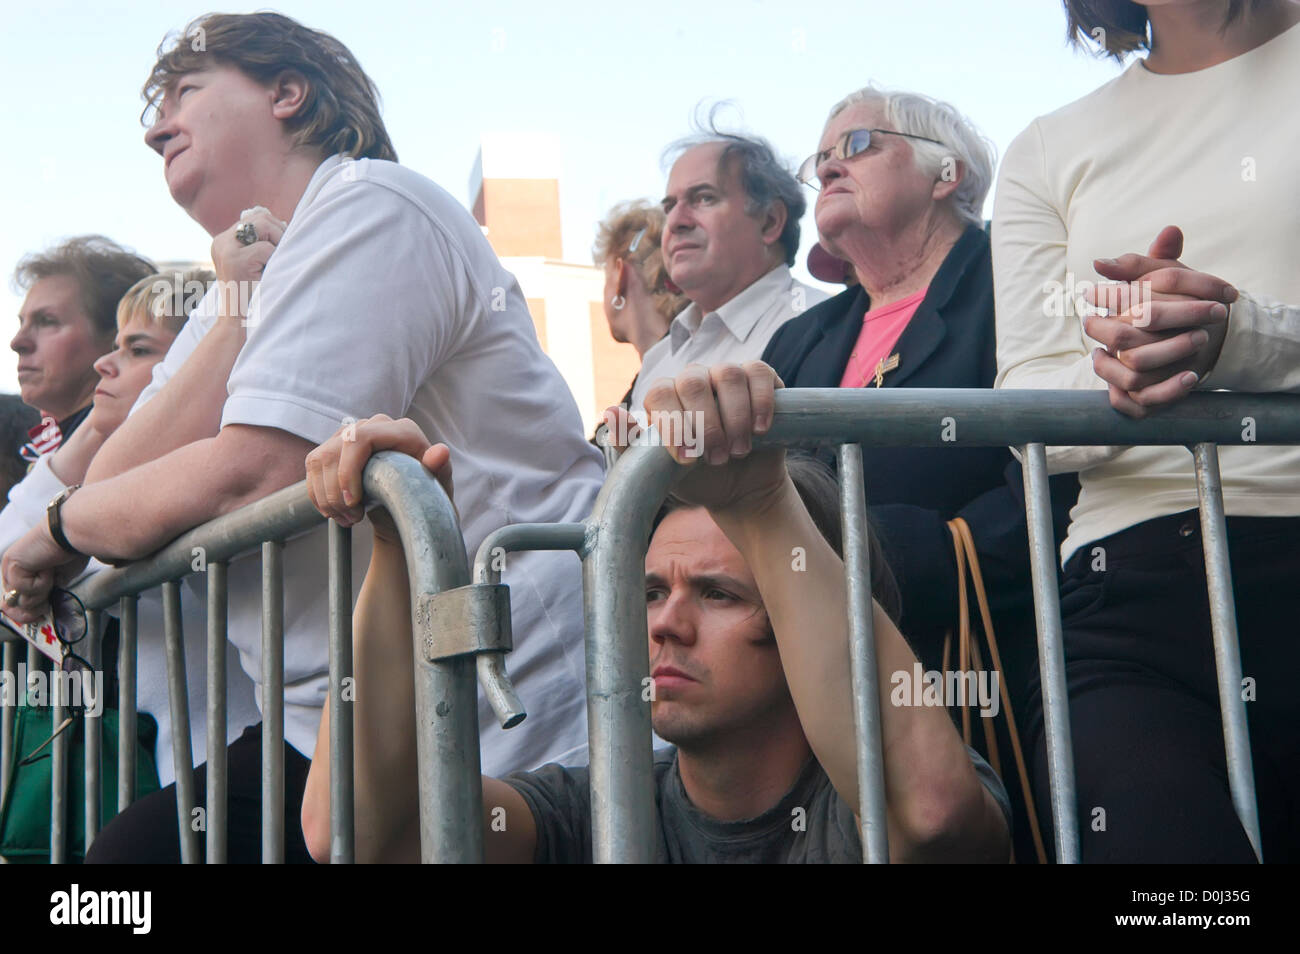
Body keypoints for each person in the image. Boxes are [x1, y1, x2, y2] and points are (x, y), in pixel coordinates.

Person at [1, 12, 602, 862]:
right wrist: (235, 317)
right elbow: (108, 482)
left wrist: (57, 533)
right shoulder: (226, 298)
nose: (154, 128)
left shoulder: (372, 205)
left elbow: (252, 473)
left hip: (493, 708)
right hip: (323, 726)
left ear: (288, 92)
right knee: (113, 880)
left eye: (185, 92)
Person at [299, 375, 1013, 863]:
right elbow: (363, 834)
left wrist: (763, 505)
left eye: (718, 593)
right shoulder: (601, 802)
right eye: (647, 593)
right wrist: (398, 542)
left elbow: (931, 819)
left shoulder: (879, 798)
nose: (665, 625)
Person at [992, 0, 1300, 862]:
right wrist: (1129, 364)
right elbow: (1025, 405)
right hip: (1132, 597)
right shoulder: (1048, 148)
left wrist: (1239, 337)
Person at [760, 85, 1078, 861]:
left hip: (989, 668)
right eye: (821, 157)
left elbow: (1067, 472)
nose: (831, 164)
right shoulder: (802, 339)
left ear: (949, 175)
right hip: (819, 674)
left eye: (860, 143)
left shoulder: (1013, 281)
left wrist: (889, 555)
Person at [0, 269, 260, 801]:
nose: (105, 362)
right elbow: (8, 553)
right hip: (182, 786)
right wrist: (98, 424)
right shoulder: (120, 486)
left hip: (238, 783)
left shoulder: (178, 490)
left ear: (200, 367)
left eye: (138, 349)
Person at [624, 121, 827, 415]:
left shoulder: (822, 327)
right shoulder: (659, 357)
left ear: (770, 221)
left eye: (704, 198)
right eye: (670, 206)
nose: (676, 221)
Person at [10, 236, 156, 465]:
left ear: (116, 338)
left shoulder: (128, 456)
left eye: (47, 321)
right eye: (22, 323)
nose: (18, 342)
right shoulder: (52, 446)